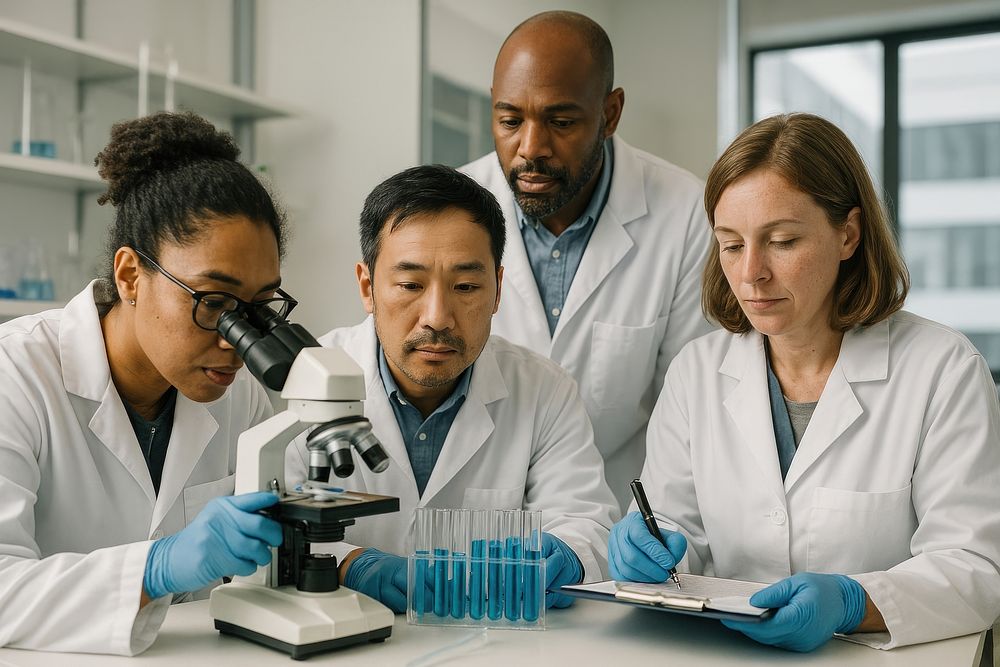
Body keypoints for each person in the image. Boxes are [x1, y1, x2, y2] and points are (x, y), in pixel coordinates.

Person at [607, 113, 1000, 651]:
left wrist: (856, 601)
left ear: (848, 234)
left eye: (783, 241)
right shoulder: (696, 373)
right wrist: (649, 549)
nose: (752, 274)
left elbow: (976, 568)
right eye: (732, 244)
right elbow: (679, 534)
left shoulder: (942, 368)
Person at [0, 112, 295, 655]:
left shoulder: (239, 392)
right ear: (131, 276)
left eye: (258, 309)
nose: (237, 339)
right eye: (215, 303)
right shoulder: (15, 375)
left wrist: (353, 562)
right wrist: (156, 567)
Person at [285, 165, 619, 613]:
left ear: (498, 290)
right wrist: (351, 565)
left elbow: (586, 523)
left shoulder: (543, 389)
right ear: (367, 287)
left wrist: (566, 556)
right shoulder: (310, 377)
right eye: (410, 285)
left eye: (465, 286)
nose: (437, 317)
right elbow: (274, 523)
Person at [461, 11, 714, 511]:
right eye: (510, 120)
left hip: (617, 517)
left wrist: (661, 530)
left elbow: (688, 409)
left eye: (561, 122)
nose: (530, 149)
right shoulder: (454, 207)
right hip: (476, 517)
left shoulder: (687, 215)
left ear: (610, 113)